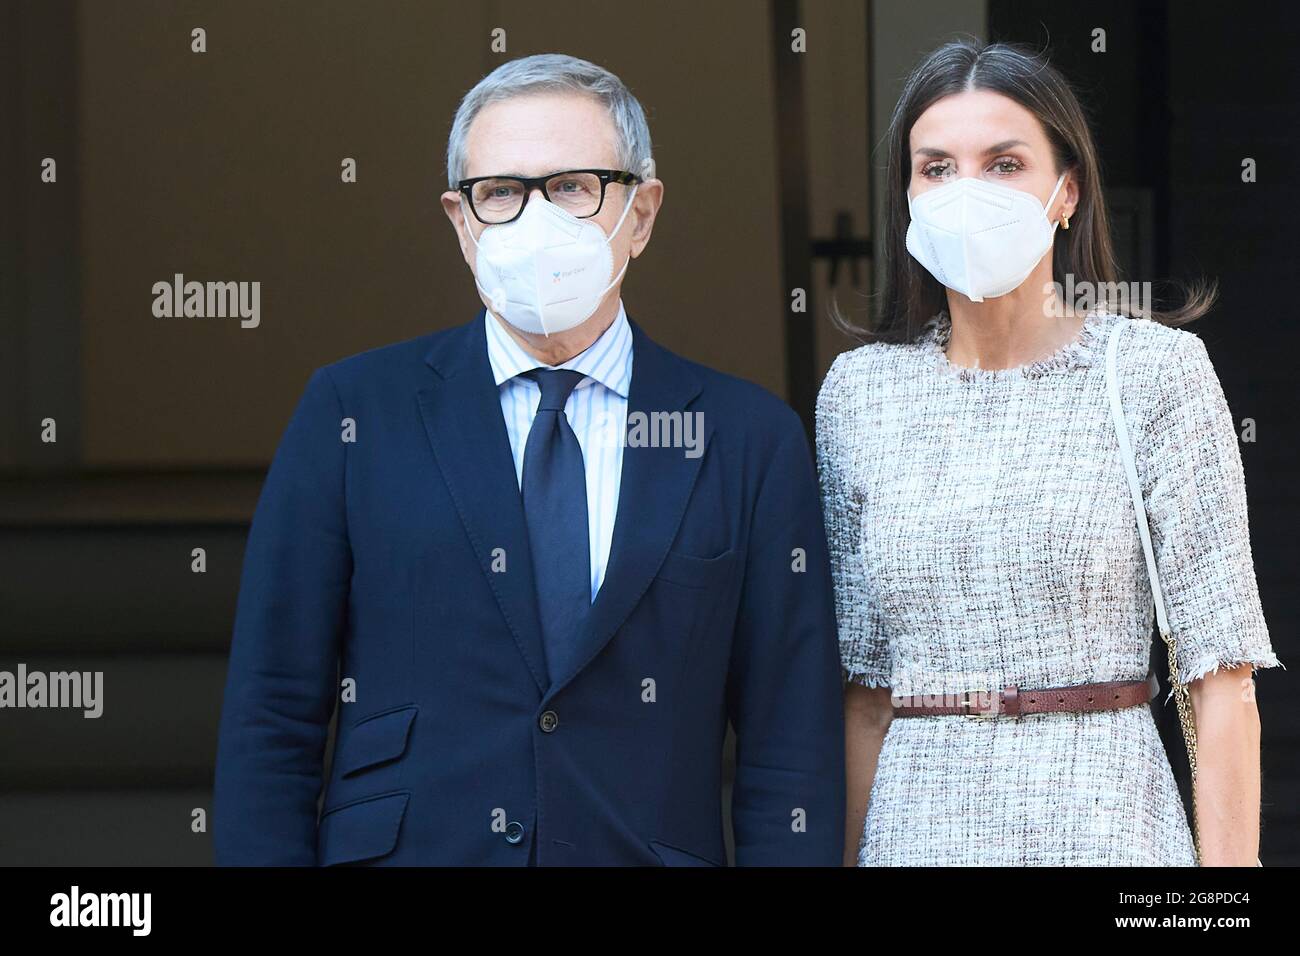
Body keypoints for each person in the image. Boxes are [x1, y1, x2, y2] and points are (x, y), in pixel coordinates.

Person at [213, 53, 845, 866]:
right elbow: (272, 709)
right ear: (461, 221)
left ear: (642, 213)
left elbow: (789, 745)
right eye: (502, 192)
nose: (535, 220)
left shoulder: (747, 438)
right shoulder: (353, 412)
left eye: (573, 186)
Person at [818, 38, 1281, 866]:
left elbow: (1222, 677)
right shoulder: (860, 394)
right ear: (908, 197)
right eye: (936, 168)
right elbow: (865, 690)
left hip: (1109, 827)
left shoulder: (1152, 373)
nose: (967, 191)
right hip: (916, 831)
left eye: (1004, 165)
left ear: (1066, 191)